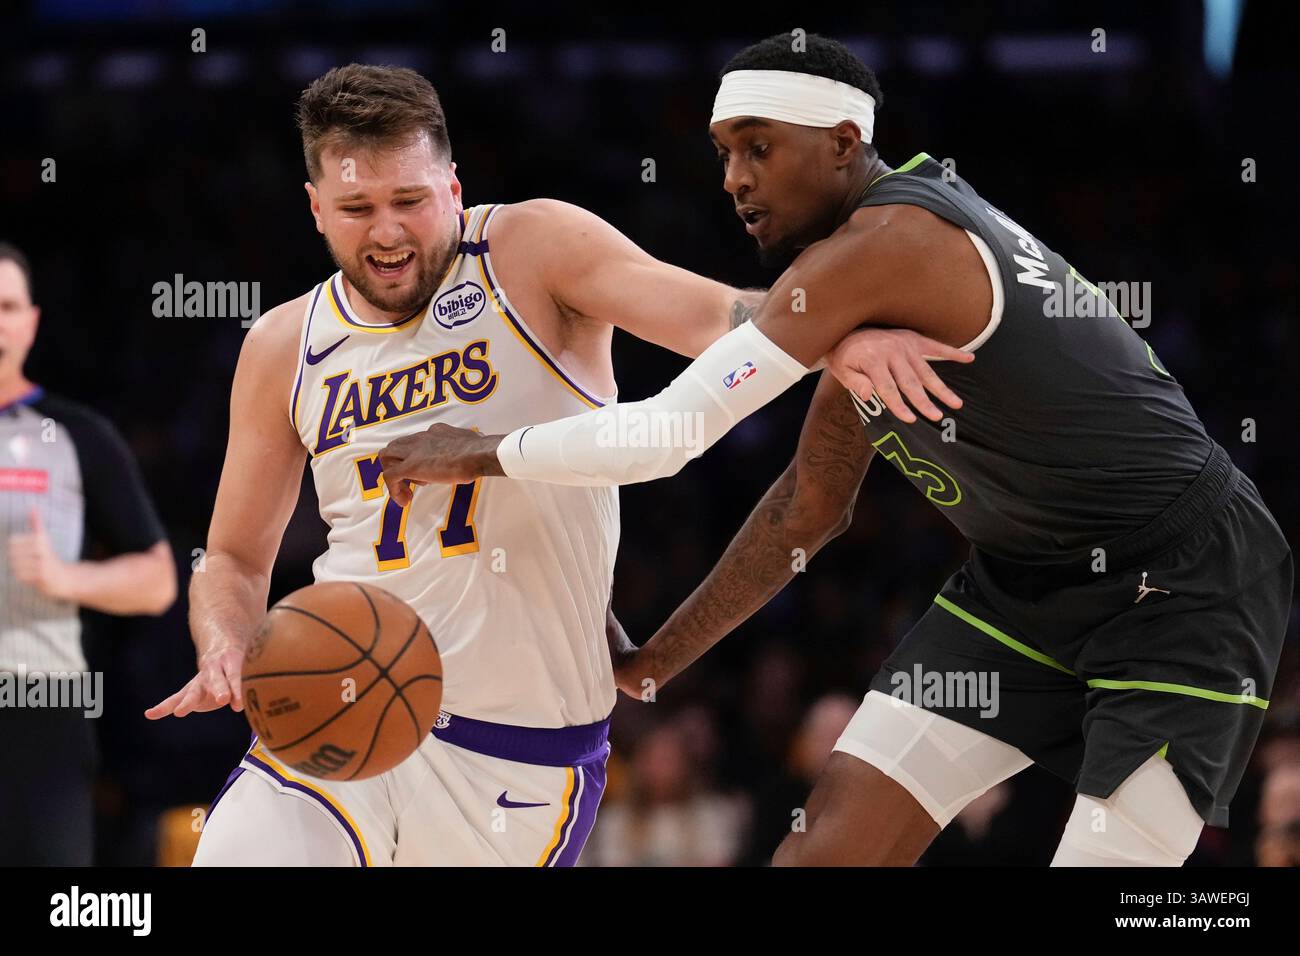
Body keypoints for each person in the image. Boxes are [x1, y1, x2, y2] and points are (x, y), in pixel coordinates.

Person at [380, 33, 1293, 868]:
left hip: (1185, 585)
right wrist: (657, 660)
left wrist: (479, 449)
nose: (734, 179)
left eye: (759, 148)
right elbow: (806, 509)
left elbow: (667, 434)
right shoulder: (855, 282)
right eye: (724, 153)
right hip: (1021, 586)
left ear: (845, 143)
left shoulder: (890, 243)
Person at [145, 63, 962, 866]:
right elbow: (232, 559)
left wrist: (842, 330)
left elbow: (717, 314)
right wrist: (223, 642)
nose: (387, 232)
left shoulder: (528, 250)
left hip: (520, 753)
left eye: (410, 201)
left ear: (453, 187)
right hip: (338, 706)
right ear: (316, 208)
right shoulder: (283, 345)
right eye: (357, 208)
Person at [0, 242, 176, 865]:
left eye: (7, 307)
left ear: (31, 323)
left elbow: (158, 580)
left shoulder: (78, 436)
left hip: (36, 703)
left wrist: (64, 577)